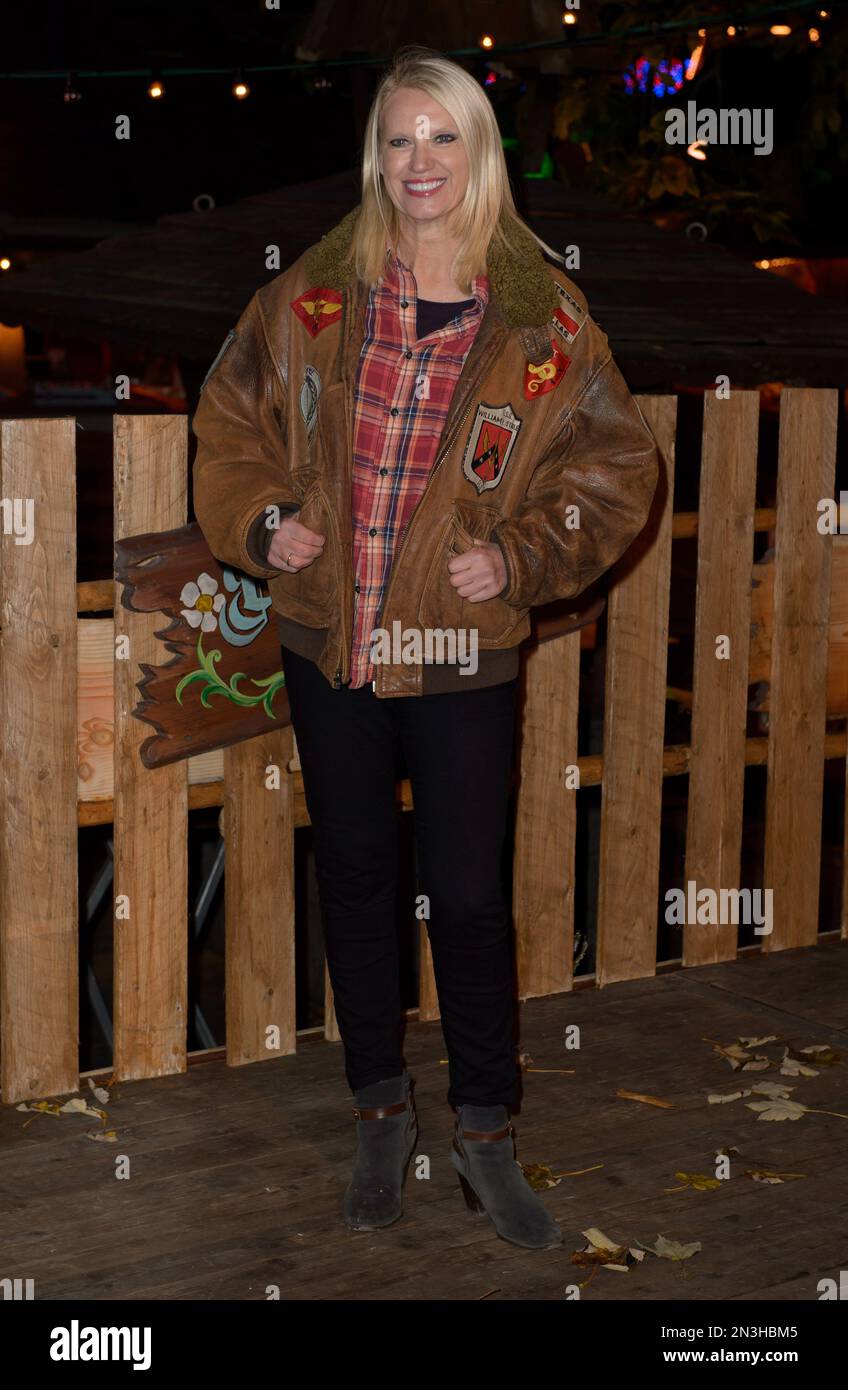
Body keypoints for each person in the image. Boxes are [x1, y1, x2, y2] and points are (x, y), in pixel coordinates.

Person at [191, 44, 659, 1251]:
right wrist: (263, 523)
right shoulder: (311, 295)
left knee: (463, 892)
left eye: (440, 137)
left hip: (457, 647)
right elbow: (232, 415)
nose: (417, 161)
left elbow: (613, 469)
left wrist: (521, 558)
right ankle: (378, 1108)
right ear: (374, 156)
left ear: (476, 154)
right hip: (329, 638)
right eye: (397, 139)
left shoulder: (542, 315)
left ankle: (486, 1133)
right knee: (352, 875)